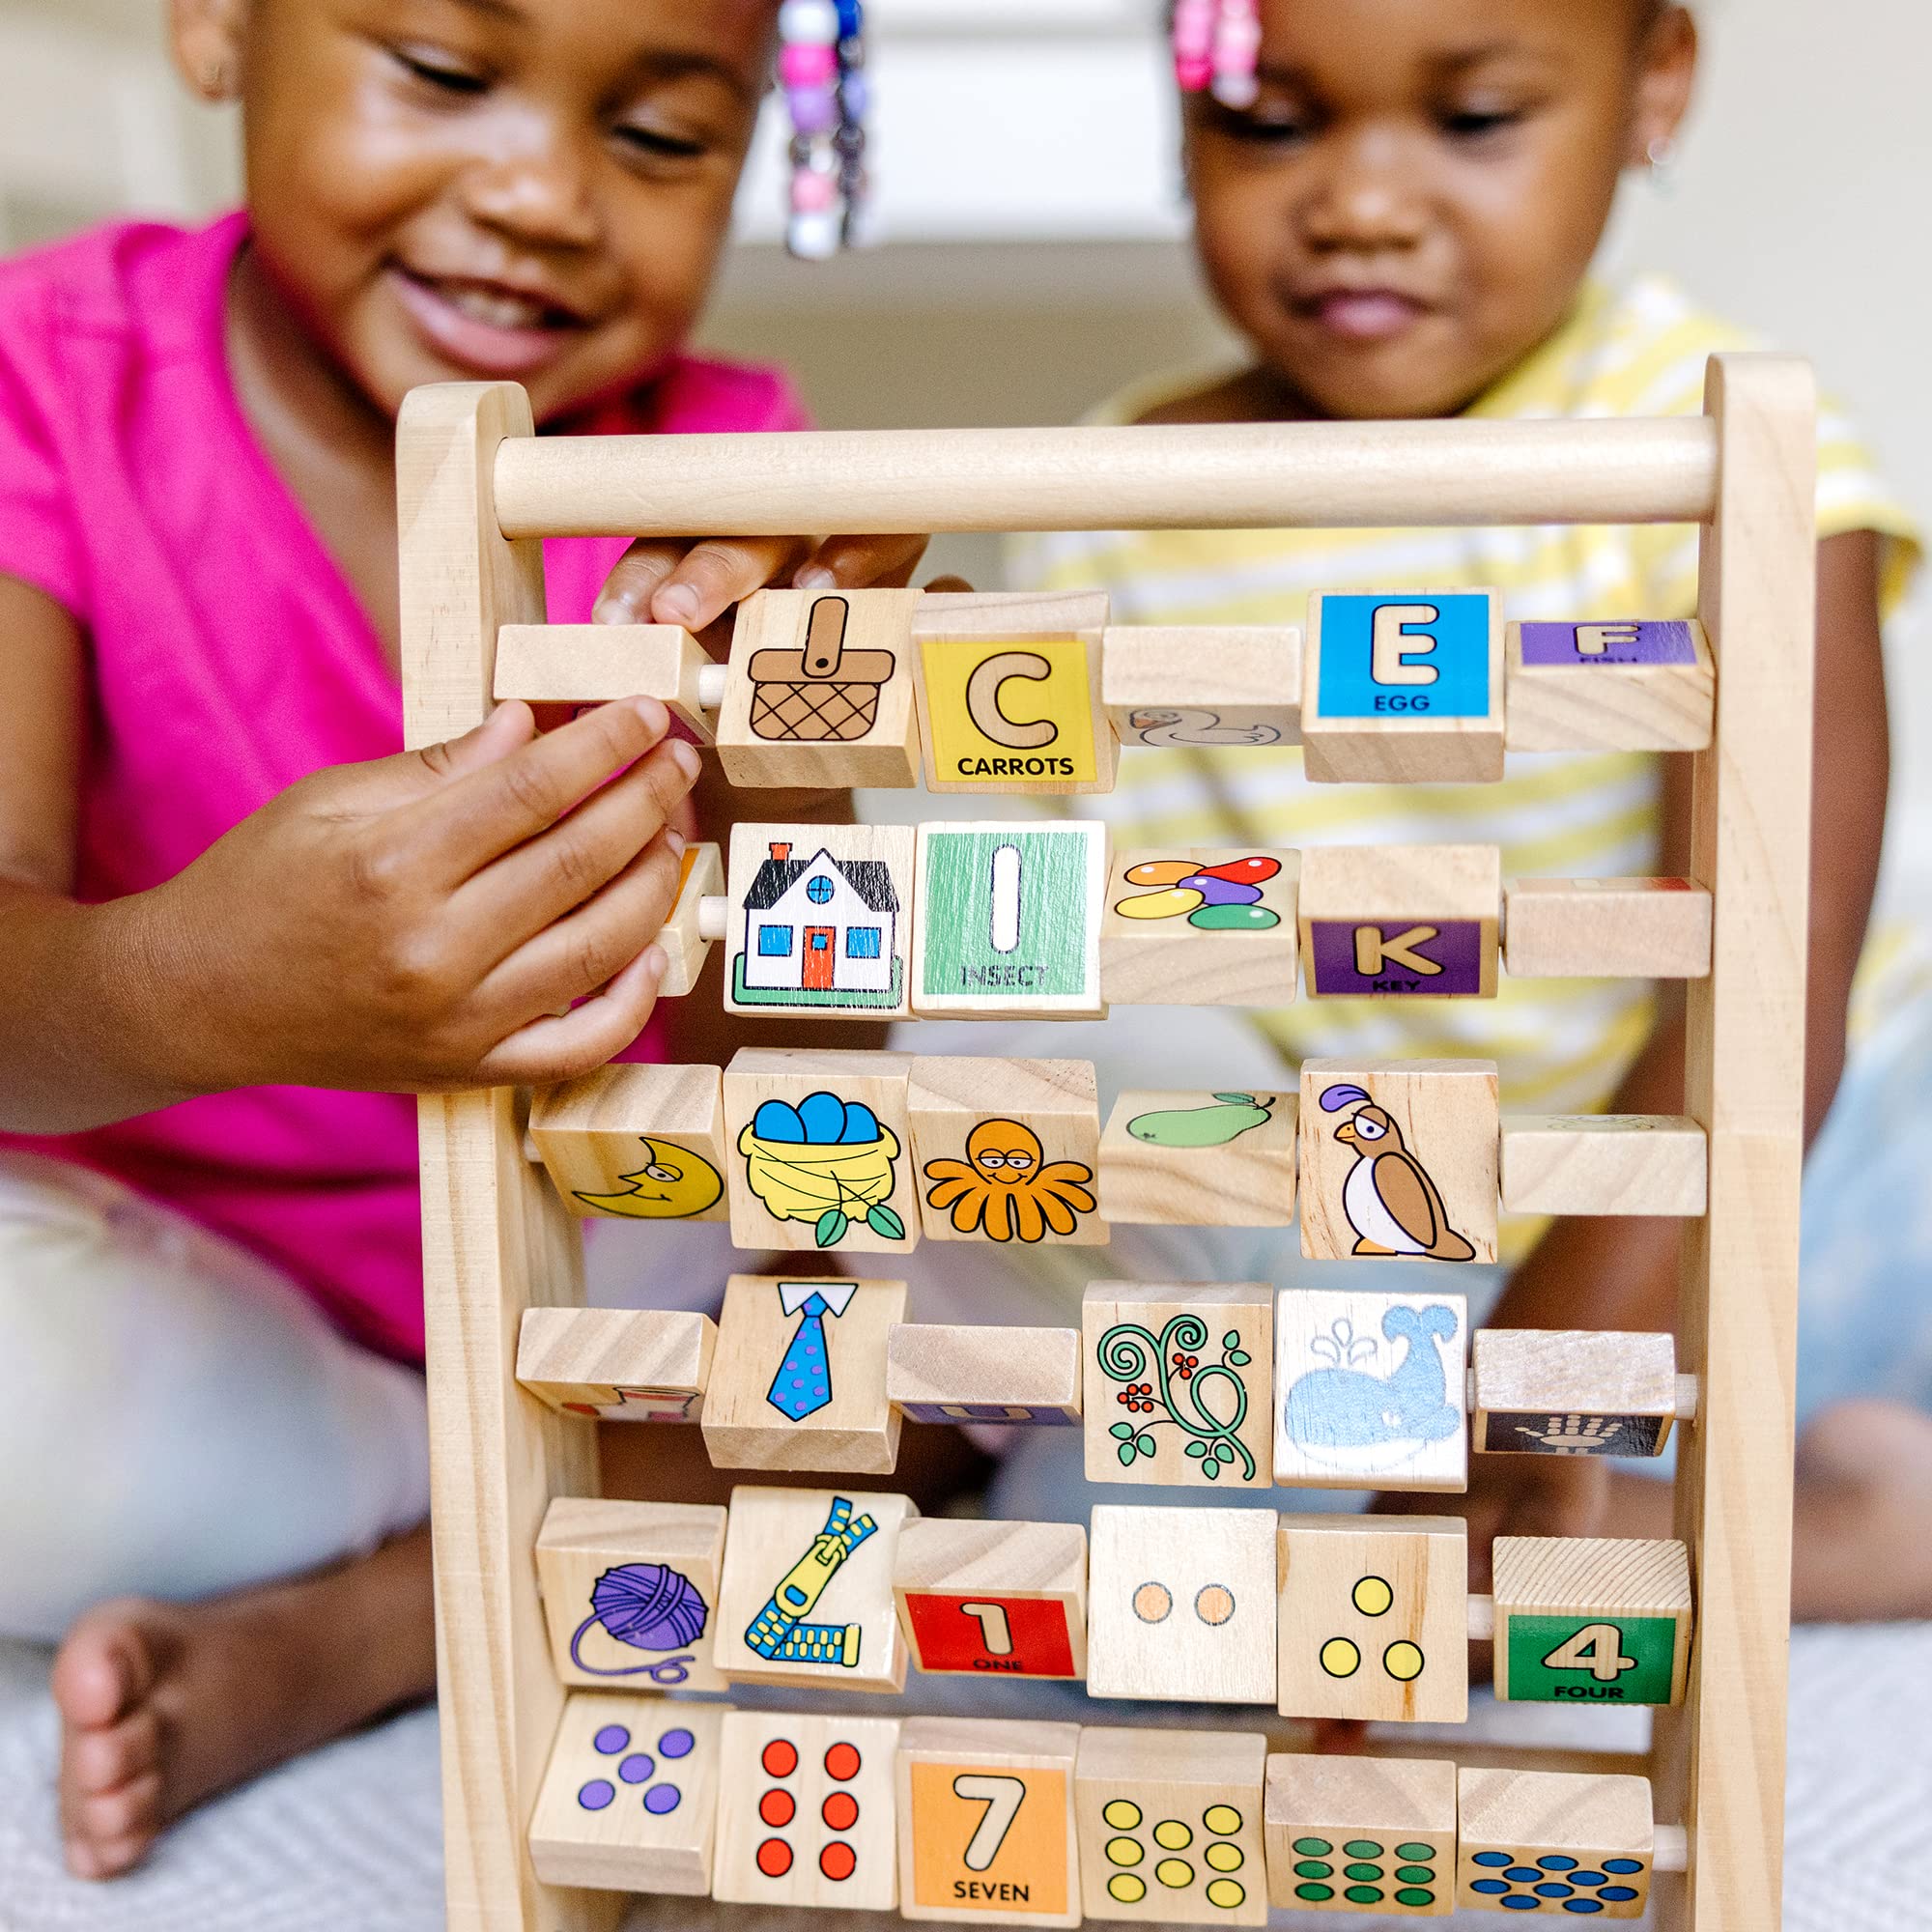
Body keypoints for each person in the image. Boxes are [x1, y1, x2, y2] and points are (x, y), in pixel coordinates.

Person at [0, 0, 928, 1880]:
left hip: (601, 1266)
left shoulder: (726, 474)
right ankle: (519, 1523)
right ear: (217, 26)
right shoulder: (47, 372)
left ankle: (351, 1633)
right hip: (221, 1328)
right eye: (441, 71)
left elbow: (802, 1095)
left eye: (662, 137)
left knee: (1016, 1203)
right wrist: (205, 979)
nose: (541, 194)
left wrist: (799, 747)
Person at [1006, 0, 1932, 1611]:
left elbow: (1767, 1017)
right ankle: (1694, 1528)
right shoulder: (1108, 500)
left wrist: (1534, 1381)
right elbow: (1157, 988)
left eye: (1476, 120)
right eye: (1272, 125)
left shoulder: (1717, 451)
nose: (1361, 202)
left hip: (1783, 1171)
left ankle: (1808, 1521)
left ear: (1655, 88)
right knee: (1116, 1491)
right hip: (1396, 1211)